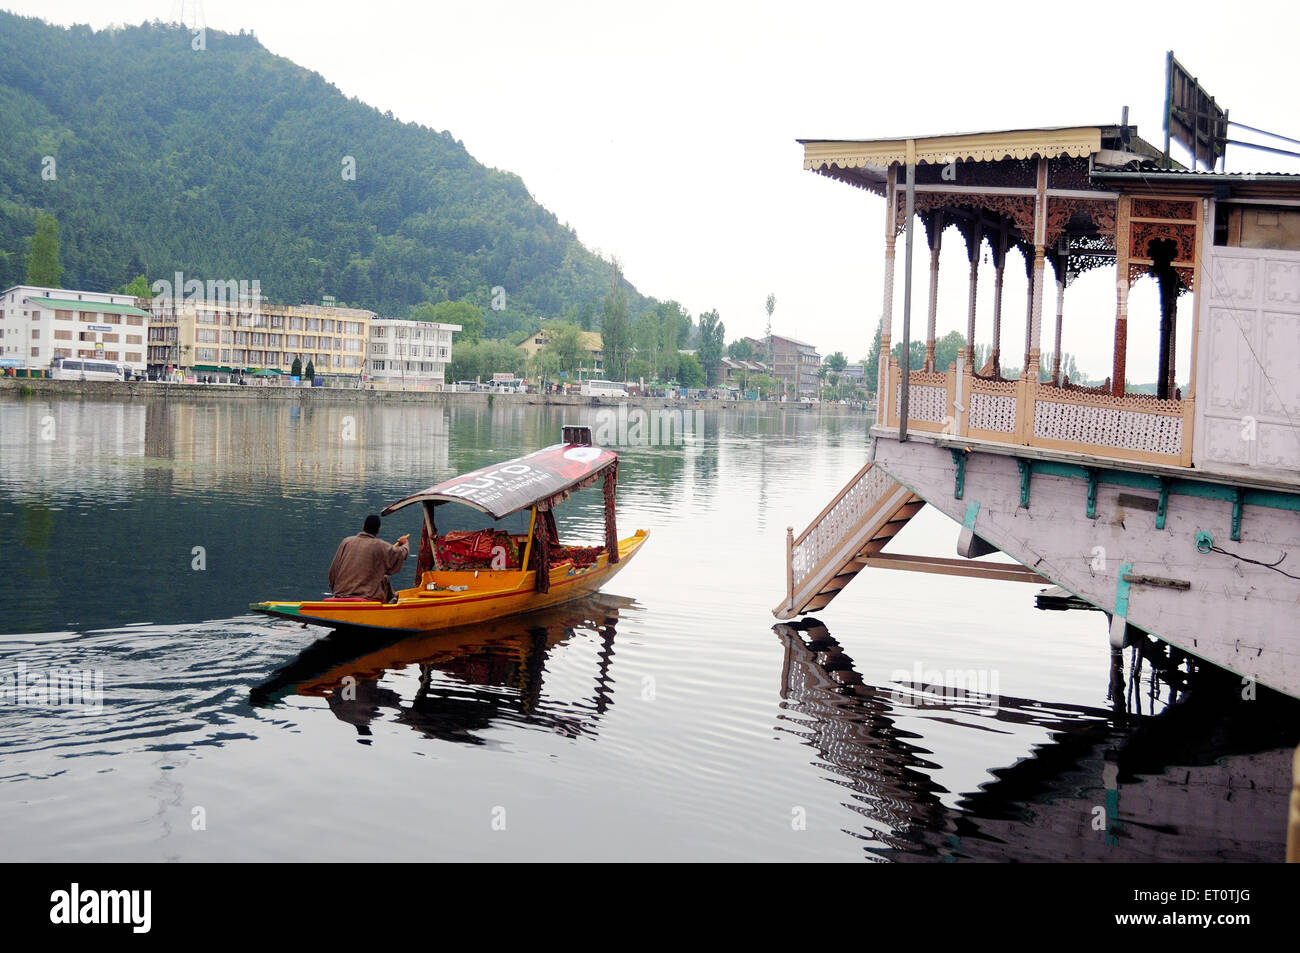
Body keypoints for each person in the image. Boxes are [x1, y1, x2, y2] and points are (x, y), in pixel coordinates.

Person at [328, 514, 410, 603]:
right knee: (384, 579)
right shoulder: (380, 546)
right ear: (378, 530)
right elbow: (401, 553)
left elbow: (333, 571)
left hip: (340, 594)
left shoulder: (346, 542)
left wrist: (336, 591)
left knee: (384, 578)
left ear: (363, 526)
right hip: (367, 597)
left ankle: (391, 599)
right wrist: (405, 543)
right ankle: (391, 601)